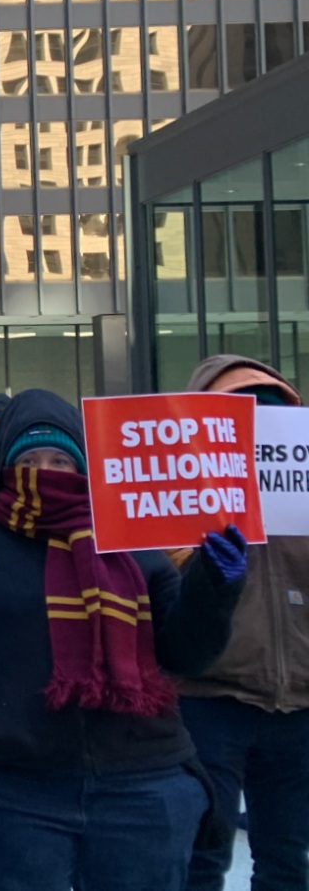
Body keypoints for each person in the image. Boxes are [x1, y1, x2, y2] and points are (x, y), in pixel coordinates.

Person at [0, 389, 250, 891]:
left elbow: (187, 654)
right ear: (3, 464)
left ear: (85, 465)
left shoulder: (136, 548)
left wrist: (213, 586)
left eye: (61, 459)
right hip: (9, 789)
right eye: (30, 459)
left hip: (142, 786)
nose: (47, 471)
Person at [179, 355, 309, 891]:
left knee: (286, 857)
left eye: (269, 411)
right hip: (208, 697)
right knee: (201, 853)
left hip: (299, 699)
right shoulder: (178, 492)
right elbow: (154, 582)